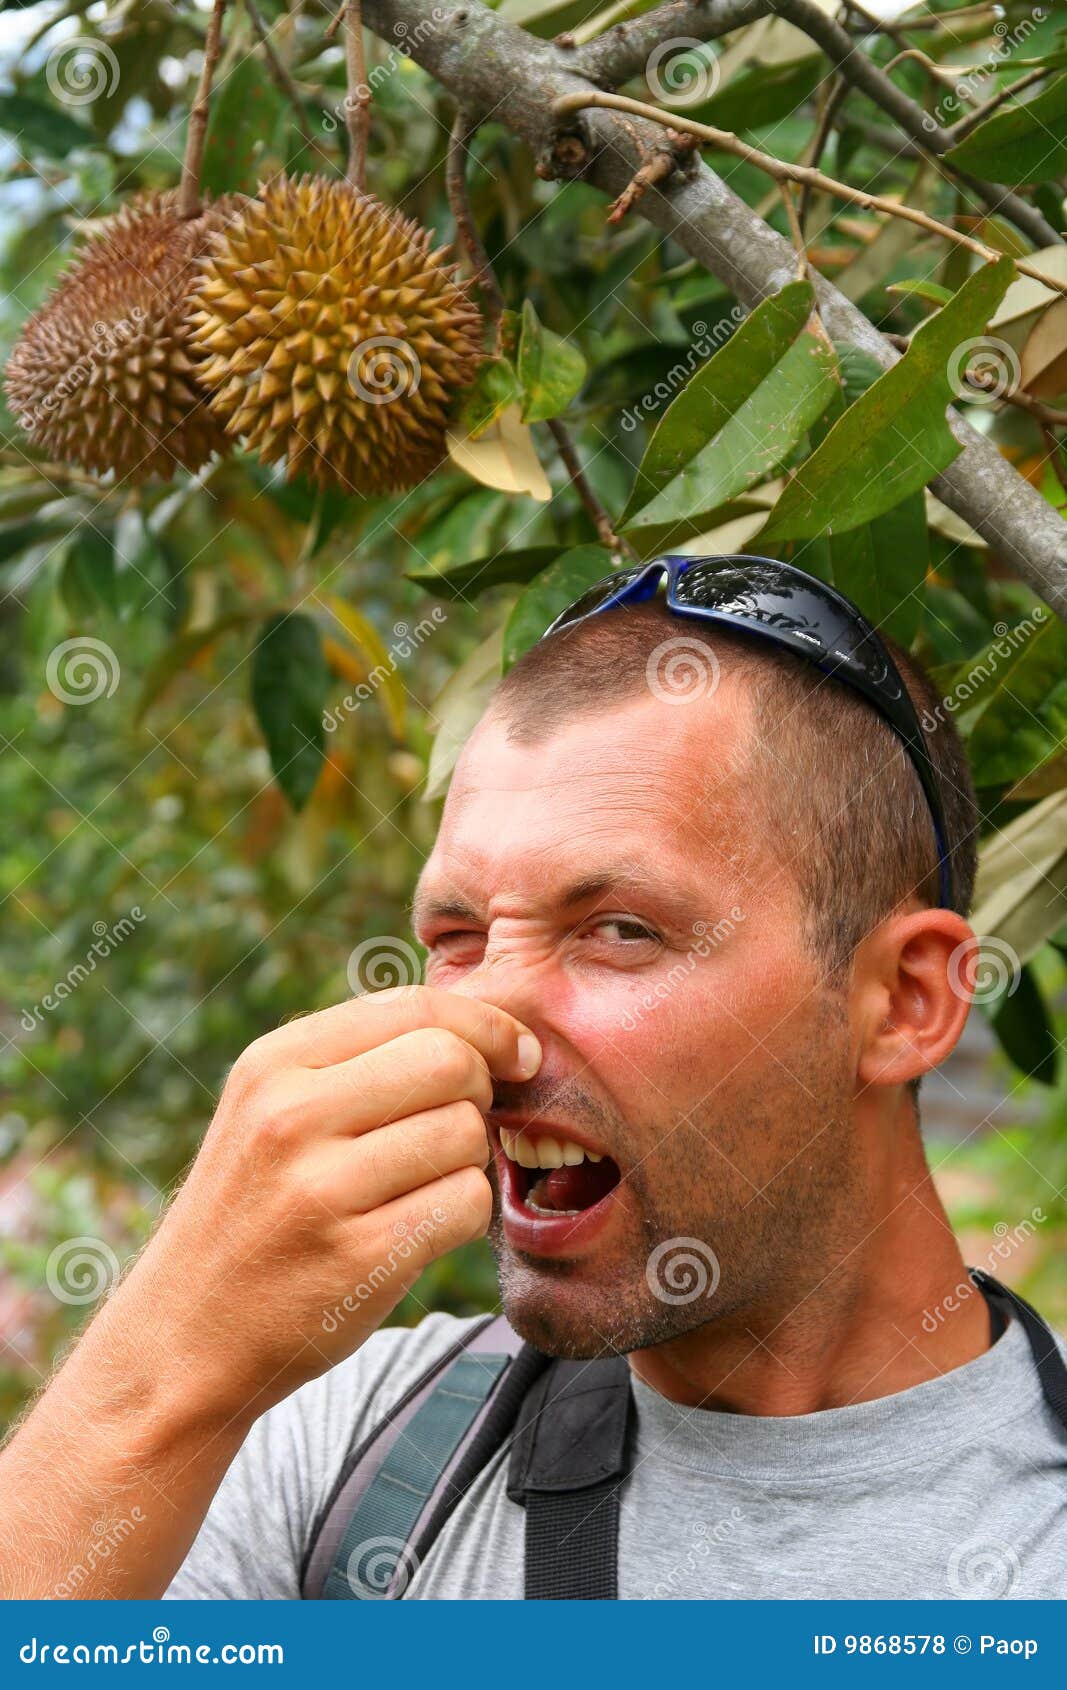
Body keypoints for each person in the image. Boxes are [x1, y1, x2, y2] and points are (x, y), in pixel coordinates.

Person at [1, 556, 1063, 1602]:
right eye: (458, 937)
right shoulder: (347, 1460)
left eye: (619, 930)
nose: (483, 1024)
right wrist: (167, 1364)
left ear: (903, 1000)